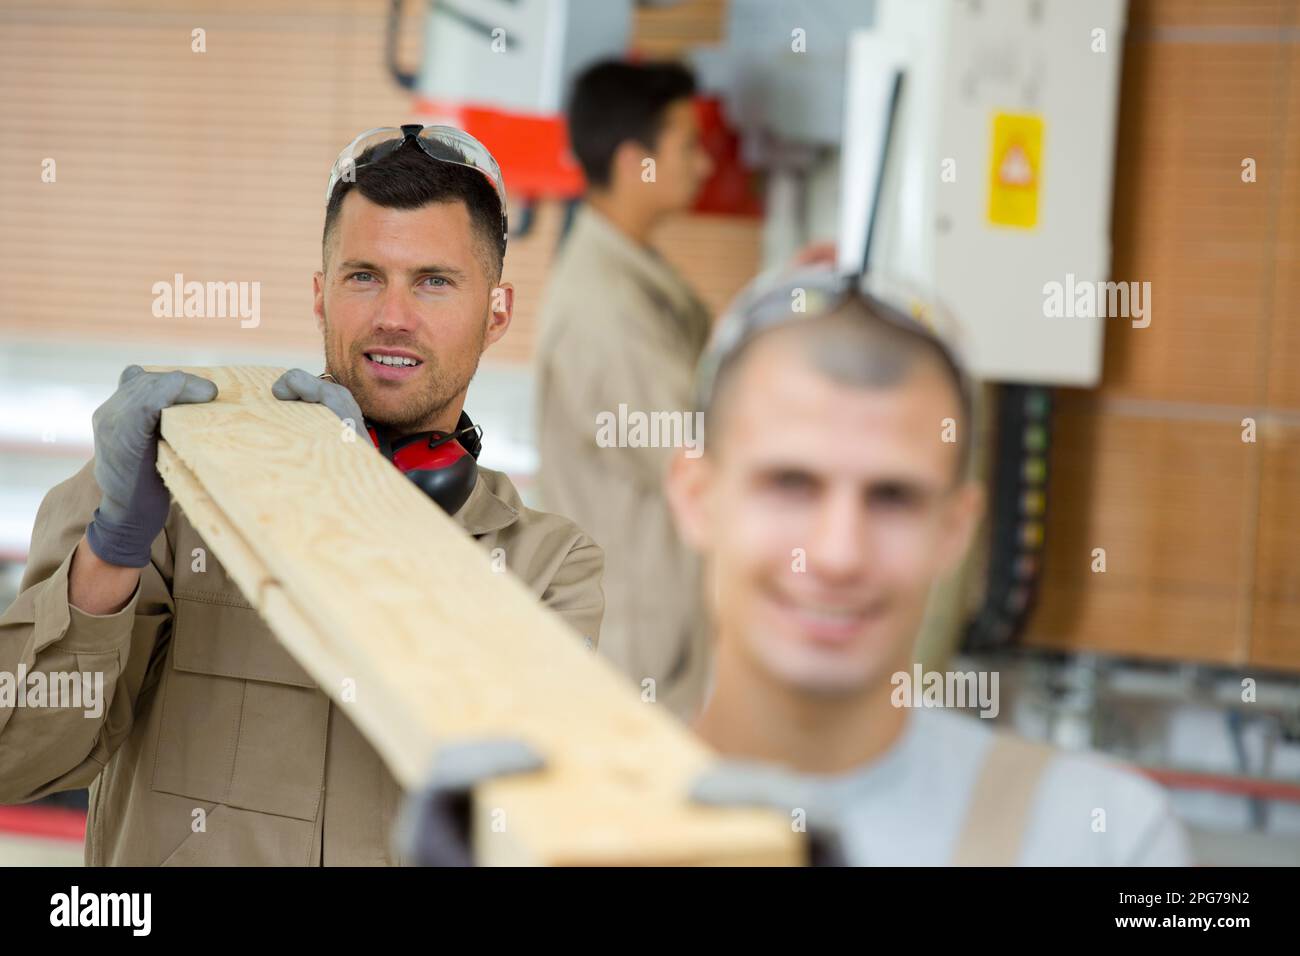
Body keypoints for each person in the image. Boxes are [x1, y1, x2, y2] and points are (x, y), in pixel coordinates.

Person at [0, 126, 605, 865]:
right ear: (320, 296)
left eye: (434, 281)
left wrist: (368, 516)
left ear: (498, 311)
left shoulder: (549, 568)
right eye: (363, 276)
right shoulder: (174, 487)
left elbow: (543, 822)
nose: (393, 316)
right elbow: (15, 756)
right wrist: (112, 549)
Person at [671, 270, 1190, 865]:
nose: (839, 554)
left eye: (893, 497)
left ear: (955, 530)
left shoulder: (1105, 838)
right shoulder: (570, 828)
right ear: (695, 497)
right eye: (792, 484)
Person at [535, 59, 716, 719]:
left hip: (649, 635)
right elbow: (690, 458)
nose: (704, 164)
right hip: (635, 652)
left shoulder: (626, 278)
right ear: (635, 157)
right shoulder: (606, 310)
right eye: (688, 145)